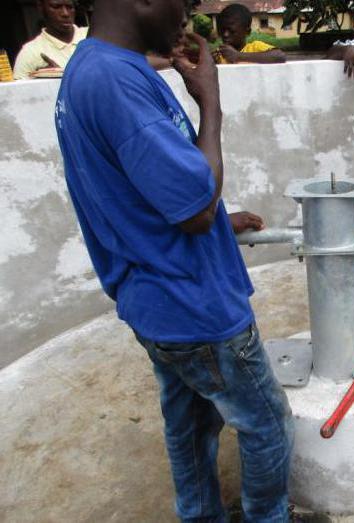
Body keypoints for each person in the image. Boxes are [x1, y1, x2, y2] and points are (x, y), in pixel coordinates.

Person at [54, 0, 294, 520]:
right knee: (268, 422)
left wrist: (215, 217)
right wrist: (211, 104)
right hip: (195, 304)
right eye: (183, 4)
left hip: (154, 301)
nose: (189, 16)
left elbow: (132, 189)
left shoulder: (96, 67)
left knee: (190, 425)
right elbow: (196, 211)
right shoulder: (116, 81)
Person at [13, 0, 88, 80]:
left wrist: (61, 76)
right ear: (41, 7)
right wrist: (45, 82)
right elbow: (17, 91)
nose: (65, 13)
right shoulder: (30, 52)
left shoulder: (92, 36)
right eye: (56, 7)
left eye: (70, 7)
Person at [213, 4, 286, 64]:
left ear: (247, 31)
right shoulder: (219, 55)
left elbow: (280, 56)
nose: (225, 34)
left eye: (232, 31)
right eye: (222, 30)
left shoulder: (255, 47)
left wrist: (238, 56)